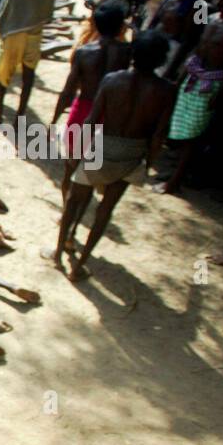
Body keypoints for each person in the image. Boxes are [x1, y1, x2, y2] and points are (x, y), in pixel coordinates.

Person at [52, 30, 176, 280]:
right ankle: (80, 265)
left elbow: (91, 120)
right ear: (162, 59)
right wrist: (148, 163)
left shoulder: (113, 80)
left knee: (75, 201)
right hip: (132, 152)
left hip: (101, 147)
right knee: (105, 211)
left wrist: (77, 154)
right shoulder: (166, 90)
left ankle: (58, 252)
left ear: (132, 53)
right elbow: (159, 135)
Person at [156, 0, 223, 194]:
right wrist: (181, 76)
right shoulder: (210, 16)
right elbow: (197, 45)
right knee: (180, 126)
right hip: (193, 76)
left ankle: (175, 181)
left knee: (195, 134)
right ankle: (173, 172)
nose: (221, 1)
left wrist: (221, 92)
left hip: (212, 83)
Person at [53, 1, 133, 194]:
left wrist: (54, 120)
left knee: (70, 167)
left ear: (95, 24)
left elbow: (68, 91)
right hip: (109, 115)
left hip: (82, 111)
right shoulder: (128, 52)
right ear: (121, 26)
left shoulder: (84, 52)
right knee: (93, 168)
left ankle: (66, 211)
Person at [0, 0, 58, 125]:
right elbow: (48, 16)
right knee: (28, 78)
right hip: (34, 35)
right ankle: (19, 117)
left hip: (12, 36)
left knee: (3, 75)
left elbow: (3, 14)